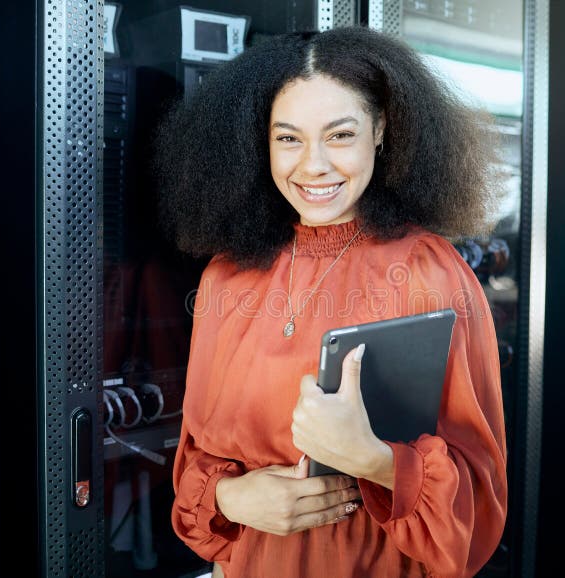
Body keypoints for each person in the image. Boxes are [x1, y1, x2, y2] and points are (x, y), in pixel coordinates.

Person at [153, 25, 507, 578]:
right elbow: (195, 465)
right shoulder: (227, 275)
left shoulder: (428, 271)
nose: (313, 166)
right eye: (288, 138)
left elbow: (477, 510)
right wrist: (229, 499)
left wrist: (376, 461)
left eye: (340, 135)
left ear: (381, 131)